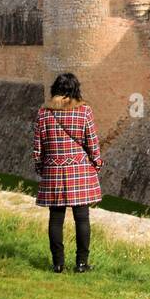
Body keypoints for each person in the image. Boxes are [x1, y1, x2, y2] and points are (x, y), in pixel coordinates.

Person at [32, 73, 102, 273]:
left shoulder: (44, 114)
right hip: (80, 170)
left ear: (55, 90)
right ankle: (81, 264)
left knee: (55, 219)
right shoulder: (84, 112)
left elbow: (38, 148)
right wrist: (97, 163)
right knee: (82, 218)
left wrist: (41, 168)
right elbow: (92, 142)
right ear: (75, 90)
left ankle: (58, 264)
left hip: (53, 170)